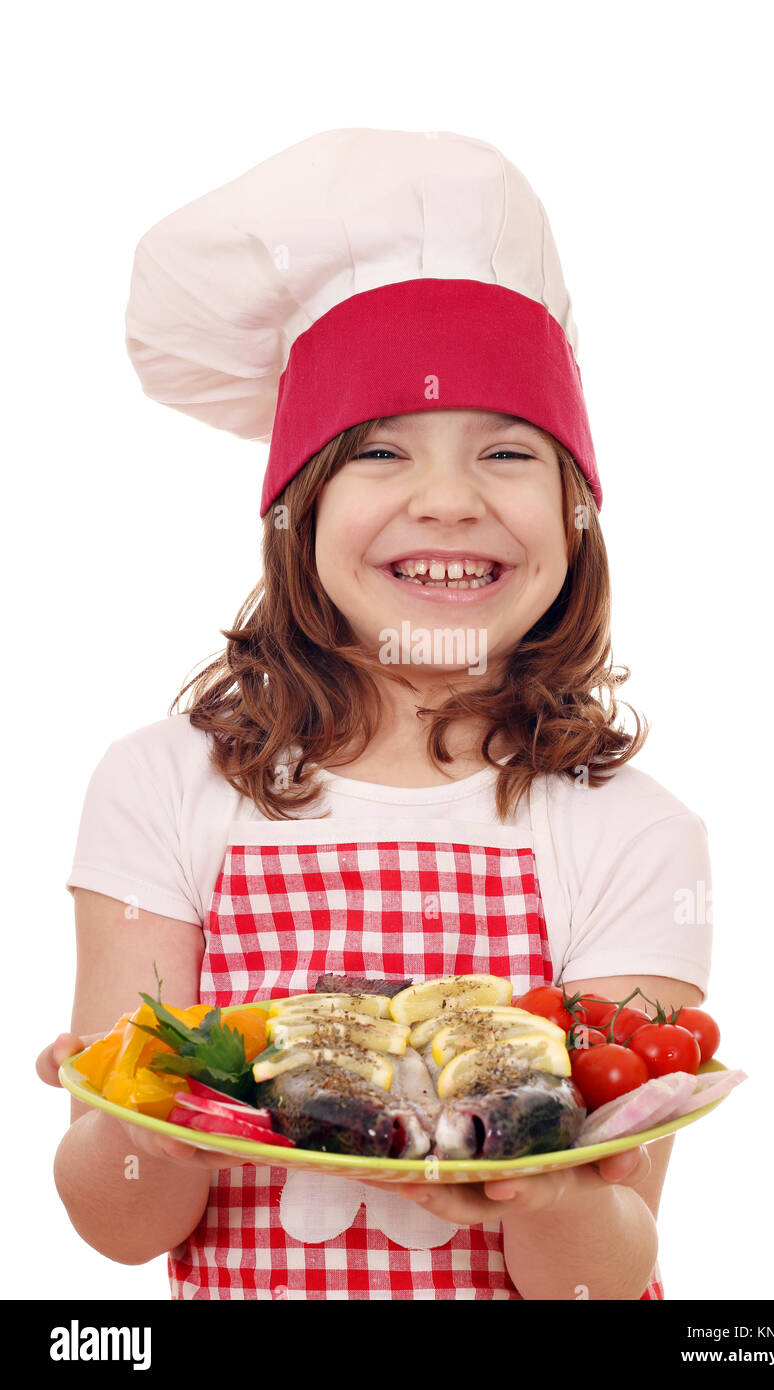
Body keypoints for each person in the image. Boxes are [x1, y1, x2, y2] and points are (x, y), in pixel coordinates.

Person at [36, 129, 713, 1300]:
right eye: (382, 450)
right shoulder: (160, 788)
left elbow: (596, 1275)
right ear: (295, 513)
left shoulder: (630, 829)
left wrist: (552, 1190)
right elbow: (128, 1230)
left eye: (507, 450)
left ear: (573, 517)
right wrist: (129, 1110)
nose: (446, 500)